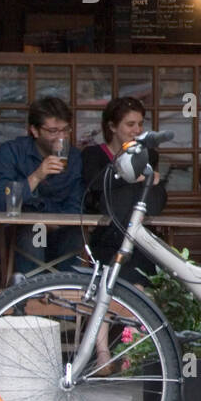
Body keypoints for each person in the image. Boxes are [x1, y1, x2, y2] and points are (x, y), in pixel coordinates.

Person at [0, 96, 85, 275]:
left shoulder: (74, 157)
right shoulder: (10, 153)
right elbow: (0, 203)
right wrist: (37, 176)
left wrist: (55, 223)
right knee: (35, 231)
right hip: (16, 236)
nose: (61, 137)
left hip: (59, 233)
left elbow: (77, 204)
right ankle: (30, 297)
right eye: (53, 131)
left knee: (77, 235)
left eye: (65, 130)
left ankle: (71, 295)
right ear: (34, 130)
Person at [81, 96, 167, 285]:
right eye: (130, 124)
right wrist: (131, 178)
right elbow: (95, 186)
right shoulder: (93, 154)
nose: (137, 130)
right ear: (112, 127)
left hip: (140, 230)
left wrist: (147, 181)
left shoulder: (148, 154)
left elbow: (152, 194)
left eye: (140, 124)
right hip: (105, 232)